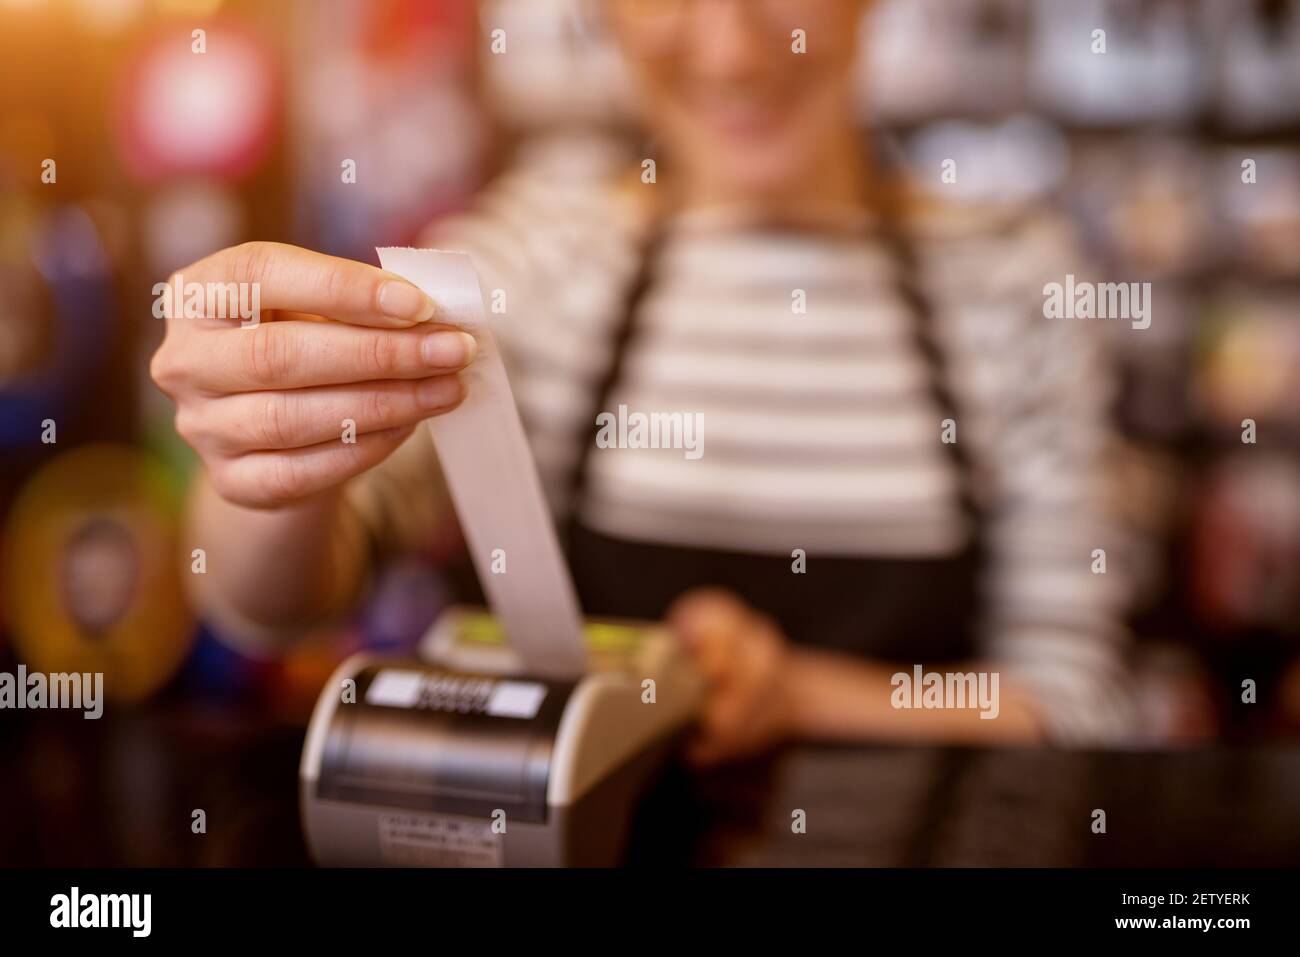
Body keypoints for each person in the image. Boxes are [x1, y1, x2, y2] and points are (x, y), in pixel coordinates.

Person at [150, 0, 1134, 765]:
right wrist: (268, 457)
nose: (732, 51)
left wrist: (794, 696)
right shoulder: (532, 261)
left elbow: (1070, 711)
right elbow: (272, 603)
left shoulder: (1014, 281)